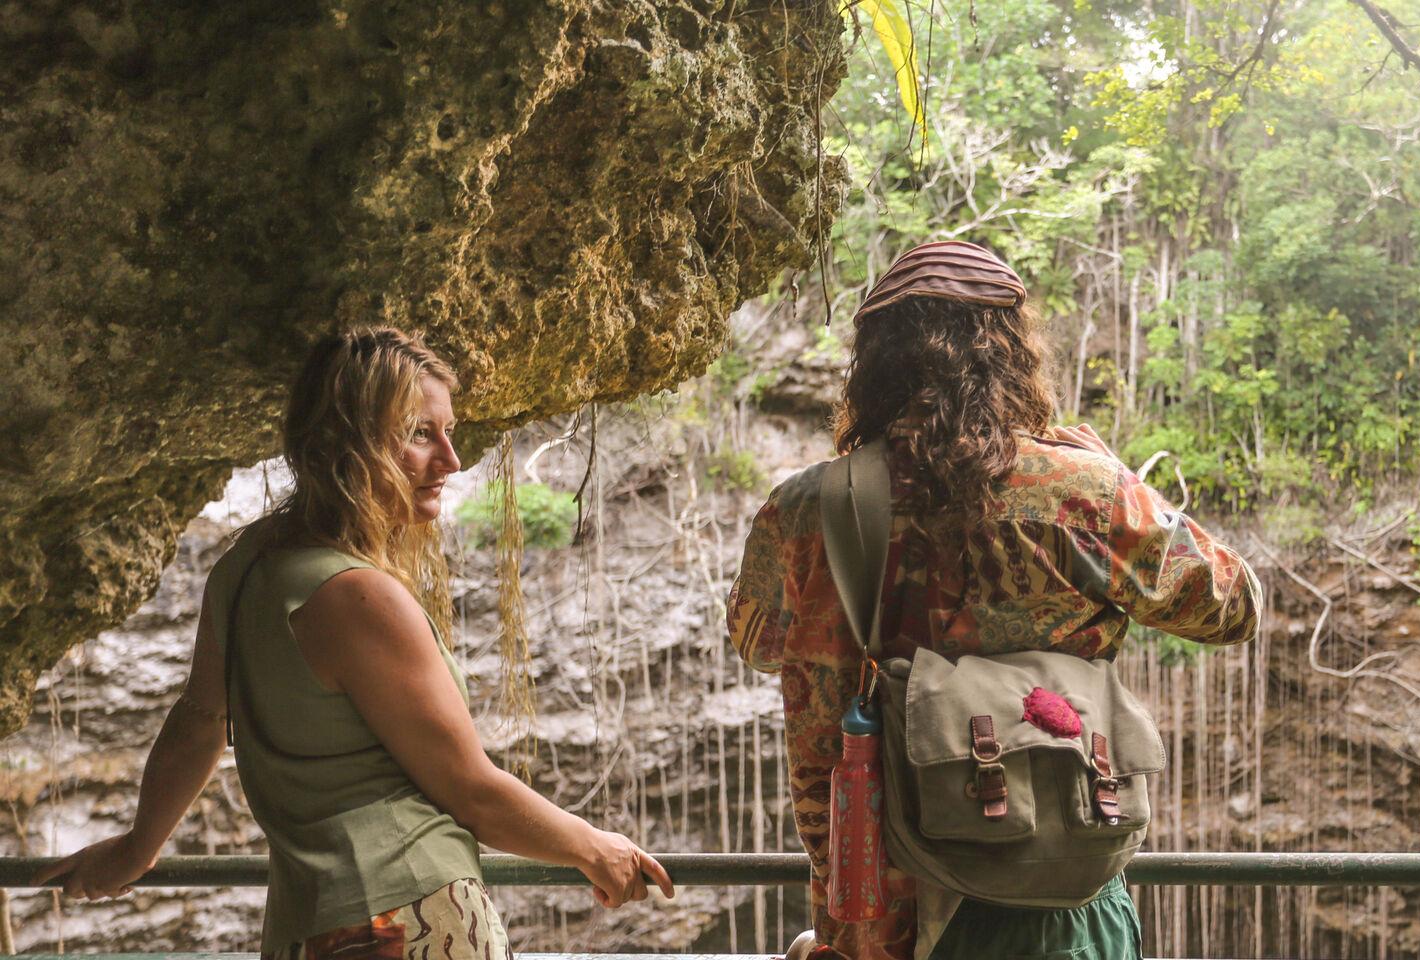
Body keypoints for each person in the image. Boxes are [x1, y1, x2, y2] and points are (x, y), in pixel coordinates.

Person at [36, 327, 673, 958]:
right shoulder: (359, 596)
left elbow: (199, 722)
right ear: (349, 443)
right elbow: (472, 792)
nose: (451, 460)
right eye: (420, 434)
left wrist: (136, 849)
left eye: (448, 432)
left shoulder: (246, 562)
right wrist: (595, 847)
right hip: (413, 917)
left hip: (309, 930)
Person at [726, 242, 1262, 960]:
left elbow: (758, 645)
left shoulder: (805, 509)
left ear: (875, 364)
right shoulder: (1086, 493)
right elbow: (1233, 605)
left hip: (874, 909)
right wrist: (1112, 474)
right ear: (1012, 353)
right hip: (1054, 896)